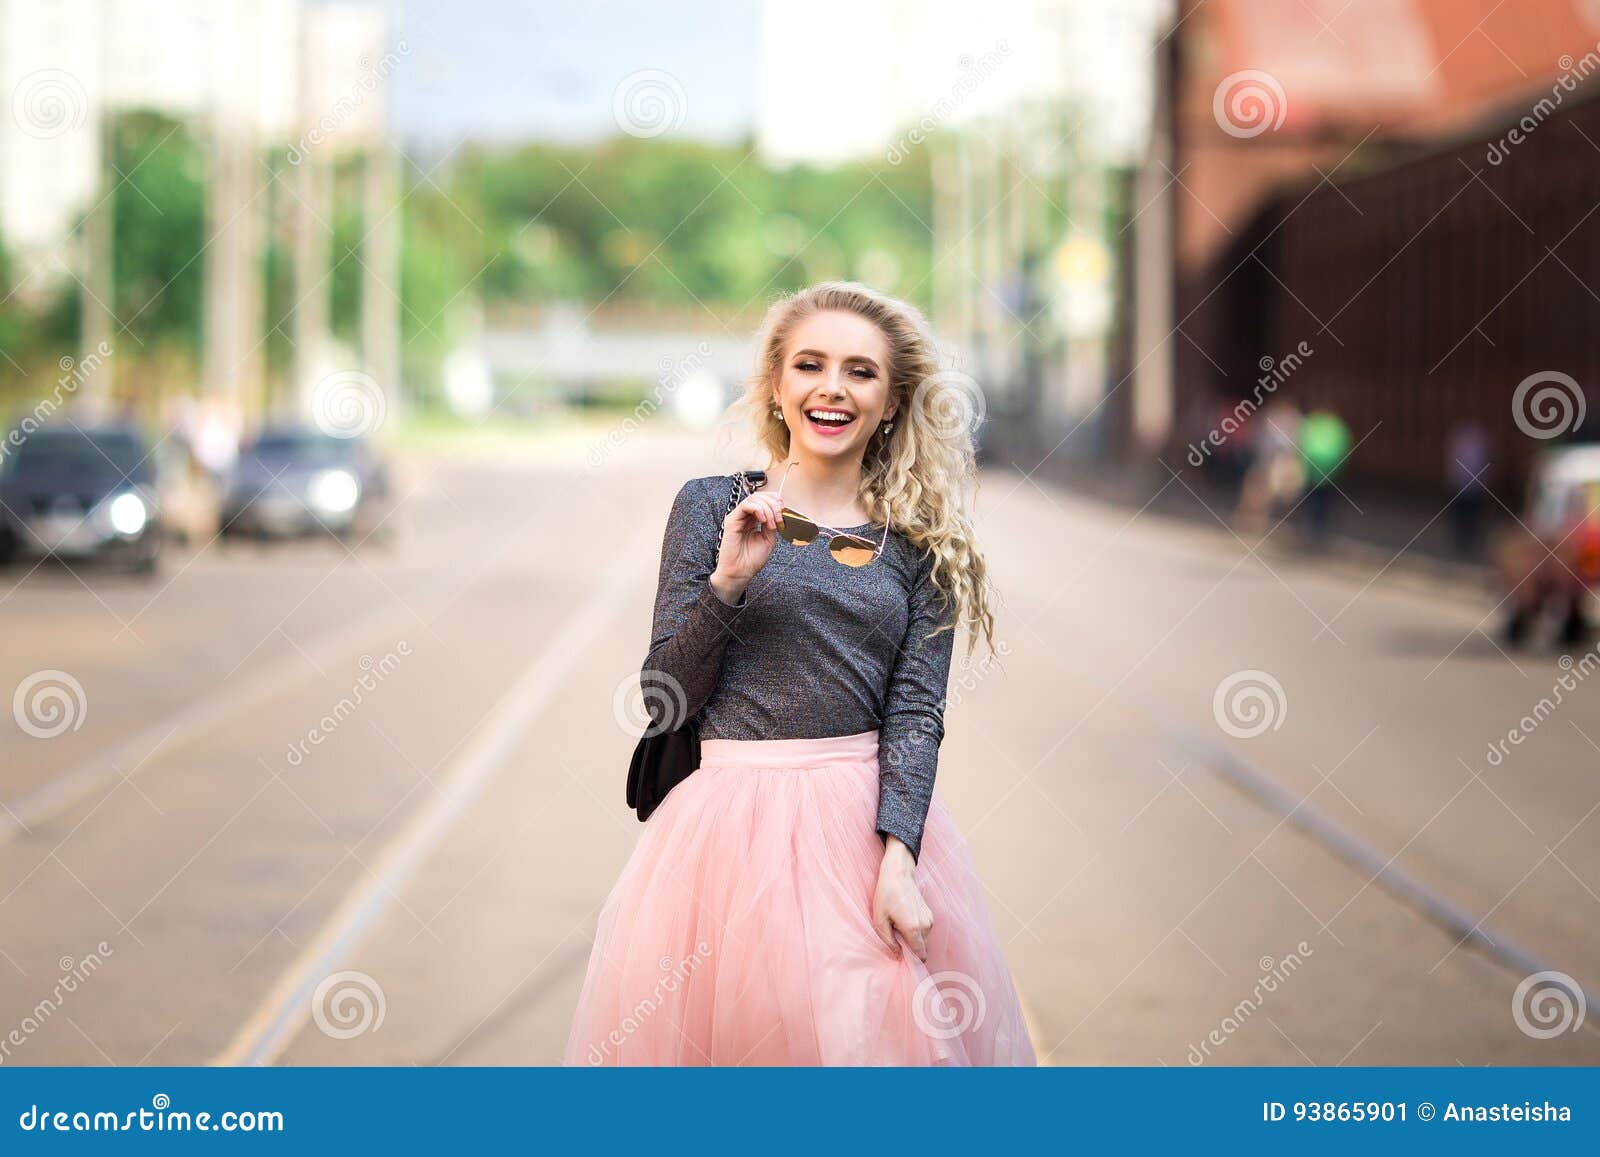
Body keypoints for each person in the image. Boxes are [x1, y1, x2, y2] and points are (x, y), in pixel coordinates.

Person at [563, 282, 1036, 1066]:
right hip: (721, 837)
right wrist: (728, 583)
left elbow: (916, 715)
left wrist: (899, 861)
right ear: (778, 387)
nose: (832, 387)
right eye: (811, 365)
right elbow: (662, 695)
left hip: (862, 836)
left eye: (860, 371)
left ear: (890, 403)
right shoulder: (711, 505)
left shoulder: (923, 543)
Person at [1297, 402, 1352, 544]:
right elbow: (1344, 447)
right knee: (1326, 499)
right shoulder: (1338, 426)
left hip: (1312, 466)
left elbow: (1301, 442)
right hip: (1331, 468)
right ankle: (1322, 528)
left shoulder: (1311, 423)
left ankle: (1313, 527)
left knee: (1312, 498)